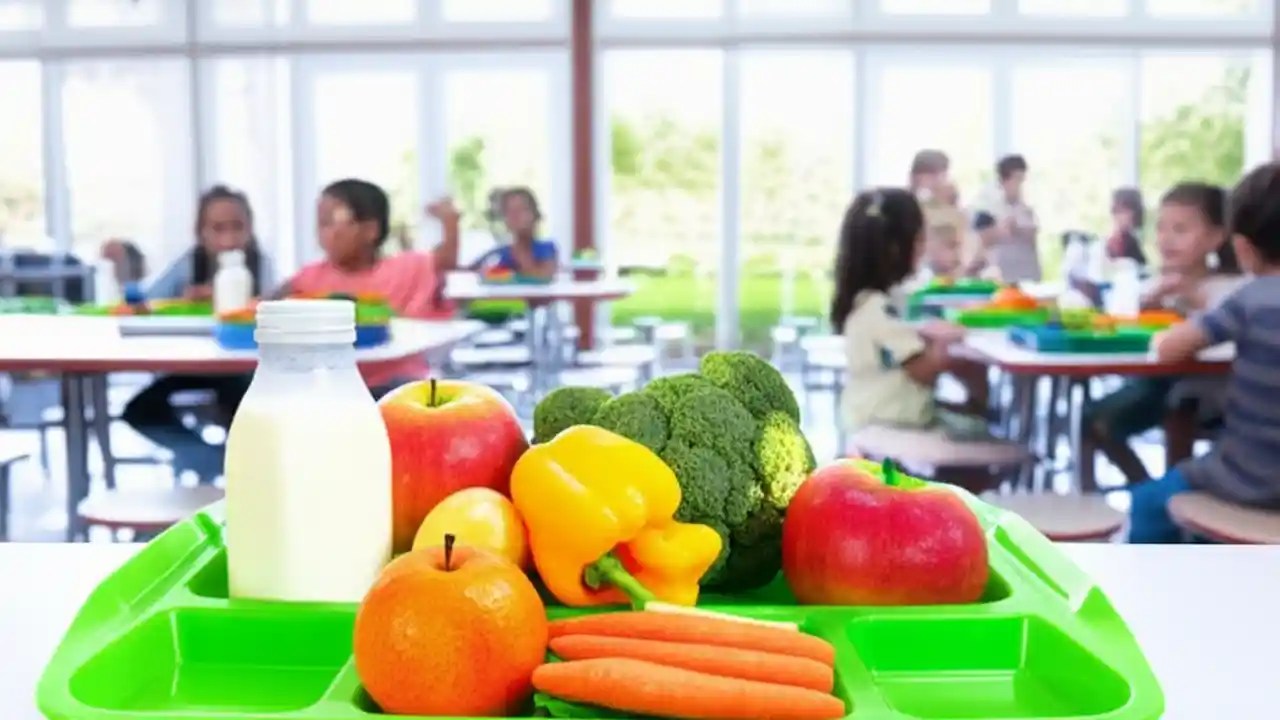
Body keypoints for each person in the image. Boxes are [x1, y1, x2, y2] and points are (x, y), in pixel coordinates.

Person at [1131, 162, 1280, 542]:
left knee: (1147, 503)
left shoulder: (1250, 299)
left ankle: (1155, 594)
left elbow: (1168, 349)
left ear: (1242, 247)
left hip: (1244, 478)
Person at [1083, 182, 1246, 487]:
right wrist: (1150, 305)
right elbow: (1138, 338)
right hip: (1155, 383)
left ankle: (1171, 499)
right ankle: (1145, 488)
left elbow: (1227, 341)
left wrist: (1195, 301)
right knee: (1092, 420)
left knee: (1180, 407)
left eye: (1181, 230)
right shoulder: (1155, 285)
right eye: (1161, 228)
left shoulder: (1227, 287)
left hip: (1210, 390)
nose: (1167, 239)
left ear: (1215, 237)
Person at [121, 185, 273, 482]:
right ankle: (213, 462)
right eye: (217, 228)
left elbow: (272, 306)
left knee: (247, 409)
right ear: (201, 231)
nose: (228, 238)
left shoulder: (260, 264)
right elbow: (147, 304)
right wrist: (184, 301)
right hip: (189, 365)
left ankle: (250, 473)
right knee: (140, 410)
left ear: (250, 228)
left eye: (237, 227)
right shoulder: (189, 263)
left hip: (241, 367)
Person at [278, 178, 460, 398]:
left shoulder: (406, 268)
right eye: (320, 224)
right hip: (328, 388)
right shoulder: (310, 277)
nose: (323, 234)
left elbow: (446, 260)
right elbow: (262, 306)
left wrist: (449, 220)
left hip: (396, 385)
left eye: (330, 222)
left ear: (370, 230)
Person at [831, 188, 986, 438]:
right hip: (893, 424)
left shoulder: (867, 302)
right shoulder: (881, 309)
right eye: (919, 240)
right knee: (985, 438)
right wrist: (947, 342)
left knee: (974, 424)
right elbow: (923, 370)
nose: (922, 249)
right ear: (896, 248)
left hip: (873, 417)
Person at [974, 154, 1041, 283]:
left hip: (1028, 275)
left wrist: (1019, 230)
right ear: (1004, 180)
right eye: (1016, 179)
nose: (1020, 184)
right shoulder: (987, 207)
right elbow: (980, 240)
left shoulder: (1028, 208)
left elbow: (1033, 234)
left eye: (1022, 178)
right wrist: (1001, 230)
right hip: (1001, 276)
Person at [471, 186, 558, 279]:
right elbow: (472, 273)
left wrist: (521, 247)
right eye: (510, 211)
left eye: (522, 209)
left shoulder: (545, 248)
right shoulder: (499, 253)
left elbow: (544, 276)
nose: (516, 216)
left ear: (534, 215)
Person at [1107, 187, 1148, 266]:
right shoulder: (1106, 244)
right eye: (1117, 211)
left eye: (1124, 211)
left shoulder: (1133, 242)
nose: (1120, 217)